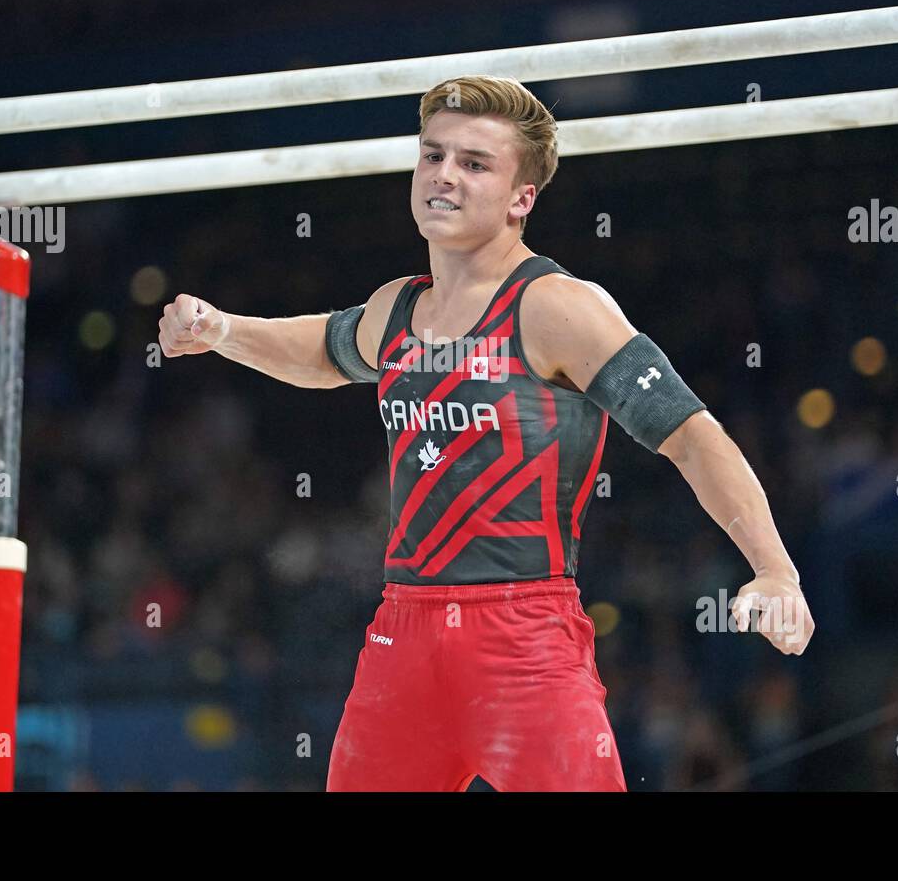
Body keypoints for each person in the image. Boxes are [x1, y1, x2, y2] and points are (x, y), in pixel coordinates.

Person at [156, 75, 814, 791]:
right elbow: (320, 351)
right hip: (400, 637)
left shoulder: (557, 307)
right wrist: (223, 331)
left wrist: (773, 568)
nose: (443, 175)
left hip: (524, 639)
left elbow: (691, 434)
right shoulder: (396, 309)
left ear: (521, 199)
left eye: (474, 163)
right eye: (432, 155)